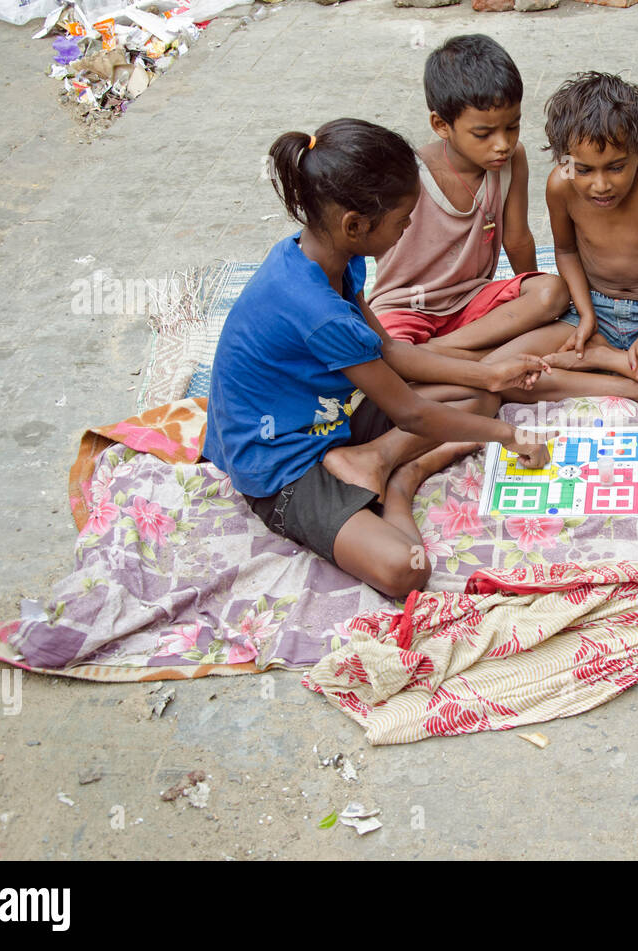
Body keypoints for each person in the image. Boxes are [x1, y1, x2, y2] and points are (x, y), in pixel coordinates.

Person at [203, 118, 551, 599]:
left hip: (328, 416)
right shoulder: (318, 311)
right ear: (355, 224)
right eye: (402, 221)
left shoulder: (331, 258)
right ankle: (402, 483)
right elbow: (410, 411)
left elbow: (388, 350)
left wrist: (489, 373)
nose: (407, 229)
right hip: (280, 461)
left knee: (479, 396)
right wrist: (512, 437)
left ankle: (381, 462)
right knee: (407, 568)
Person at [369, 35, 638, 413]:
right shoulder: (408, 172)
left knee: (551, 292)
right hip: (407, 308)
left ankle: (439, 357)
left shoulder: (513, 160)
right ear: (441, 125)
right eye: (484, 133)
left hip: (472, 304)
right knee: (385, 374)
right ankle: (448, 361)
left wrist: (539, 316)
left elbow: (518, 239)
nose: (503, 144)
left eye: (512, 128)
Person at [530, 71, 638, 424]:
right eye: (584, 170)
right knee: (517, 371)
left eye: (617, 167)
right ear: (564, 160)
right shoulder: (560, 186)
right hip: (595, 312)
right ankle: (631, 380)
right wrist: (586, 314)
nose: (600, 185)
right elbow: (567, 251)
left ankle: (605, 360)